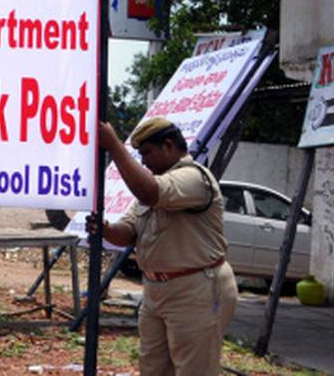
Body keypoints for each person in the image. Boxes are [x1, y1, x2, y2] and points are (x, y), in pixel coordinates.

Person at [87, 116, 238, 375]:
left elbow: (150, 193)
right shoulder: (157, 183)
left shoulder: (193, 178)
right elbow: (129, 232)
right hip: (156, 292)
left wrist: (114, 146)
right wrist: (107, 230)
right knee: (153, 368)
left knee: (194, 370)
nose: (144, 161)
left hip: (196, 288)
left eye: (147, 153)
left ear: (168, 146)